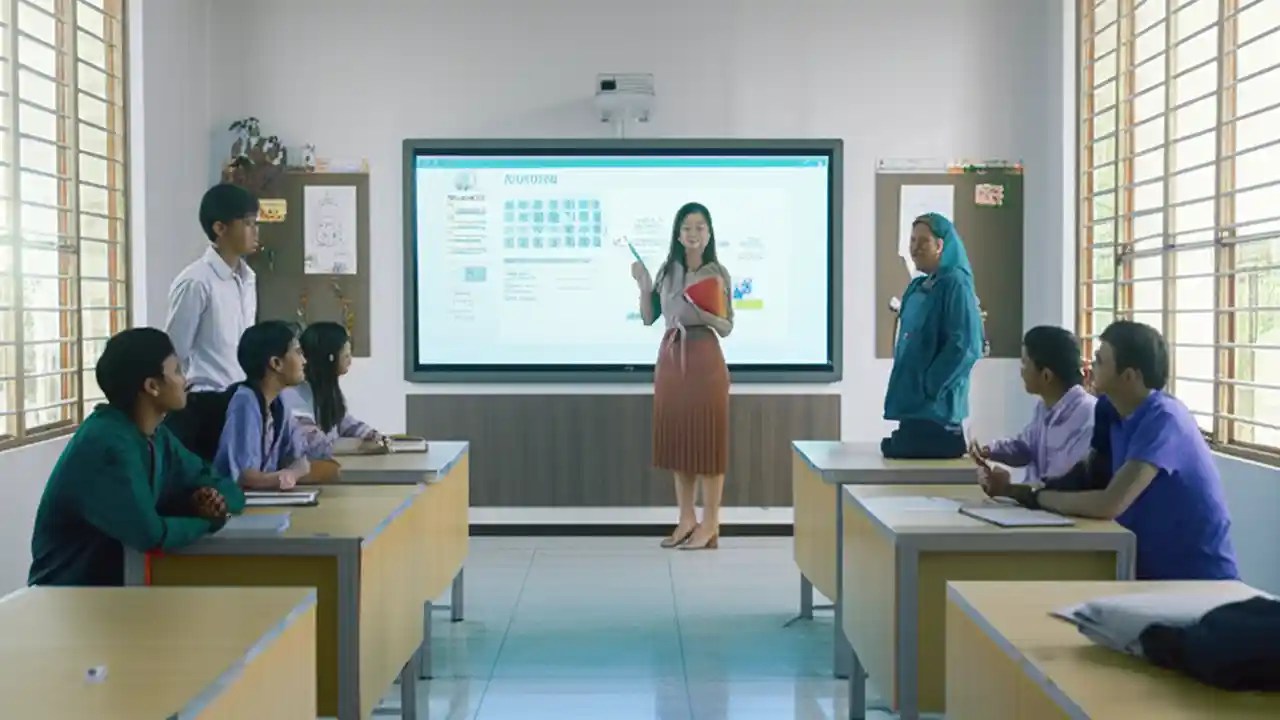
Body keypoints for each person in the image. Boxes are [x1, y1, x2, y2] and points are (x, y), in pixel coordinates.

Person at [983, 320, 1238, 581]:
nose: (1089, 368)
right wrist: (1015, 493)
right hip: (1138, 569)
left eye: (1099, 361)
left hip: (1197, 579)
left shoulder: (1165, 419)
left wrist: (1036, 498)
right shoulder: (1108, 409)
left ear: (1129, 376)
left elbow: (1109, 503)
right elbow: (1087, 477)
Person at [28, 328, 245, 587]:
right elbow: (149, 534)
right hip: (70, 593)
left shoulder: (156, 436)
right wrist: (208, 519)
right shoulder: (107, 443)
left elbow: (225, 486)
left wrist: (209, 501)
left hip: (119, 588)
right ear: (152, 386)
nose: (185, 380)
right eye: (176, 371)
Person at [632, 202, 734, 551]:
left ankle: (711, 524)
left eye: (700, 227)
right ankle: (686, 519)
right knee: (680, 443)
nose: (694, 233)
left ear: (709, 234)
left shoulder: (716, 272)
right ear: (678, 234)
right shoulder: (668, 270)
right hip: (672, 360)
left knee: (708, 443)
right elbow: (649, 318)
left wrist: (706, 313)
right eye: (687, 227)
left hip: (705, 360)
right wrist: (644, 286)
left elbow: (727, 327)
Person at [881, 213, 984, 459]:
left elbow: (967, 346)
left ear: (941, 246)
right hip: (913, 410)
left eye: (923, 241)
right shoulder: (918, 286)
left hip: (939, 413)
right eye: (912, 240)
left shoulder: (956, 285)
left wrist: (931, 386)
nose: (915, 248)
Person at [973, 326, 1096, 487]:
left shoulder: (1089, 417)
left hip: (1060, 508)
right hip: (1037, 506)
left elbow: (1063, 487)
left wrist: (1009, 489)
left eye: (1025, 363)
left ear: (1046, 375)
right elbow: (1026, 447)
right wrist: (989, 451)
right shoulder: (1045, 407)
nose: (1021, 371)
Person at [214, 320, 311, 490]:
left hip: (264, 498)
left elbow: (299, 460)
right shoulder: (245, 402)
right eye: (297, 352)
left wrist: (288, 475)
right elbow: (246, 477)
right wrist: (283, 477)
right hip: (235, 503)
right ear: (276, 363)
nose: (304, 360)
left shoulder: (279, 403)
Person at [285, 321, 382, 459]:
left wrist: (372, 436)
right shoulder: (294, 394)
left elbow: (344, 422)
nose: (350, 361)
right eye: (346, 356)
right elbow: (312, 445)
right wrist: (359, 446)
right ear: (329, 358)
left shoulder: (327, 390)